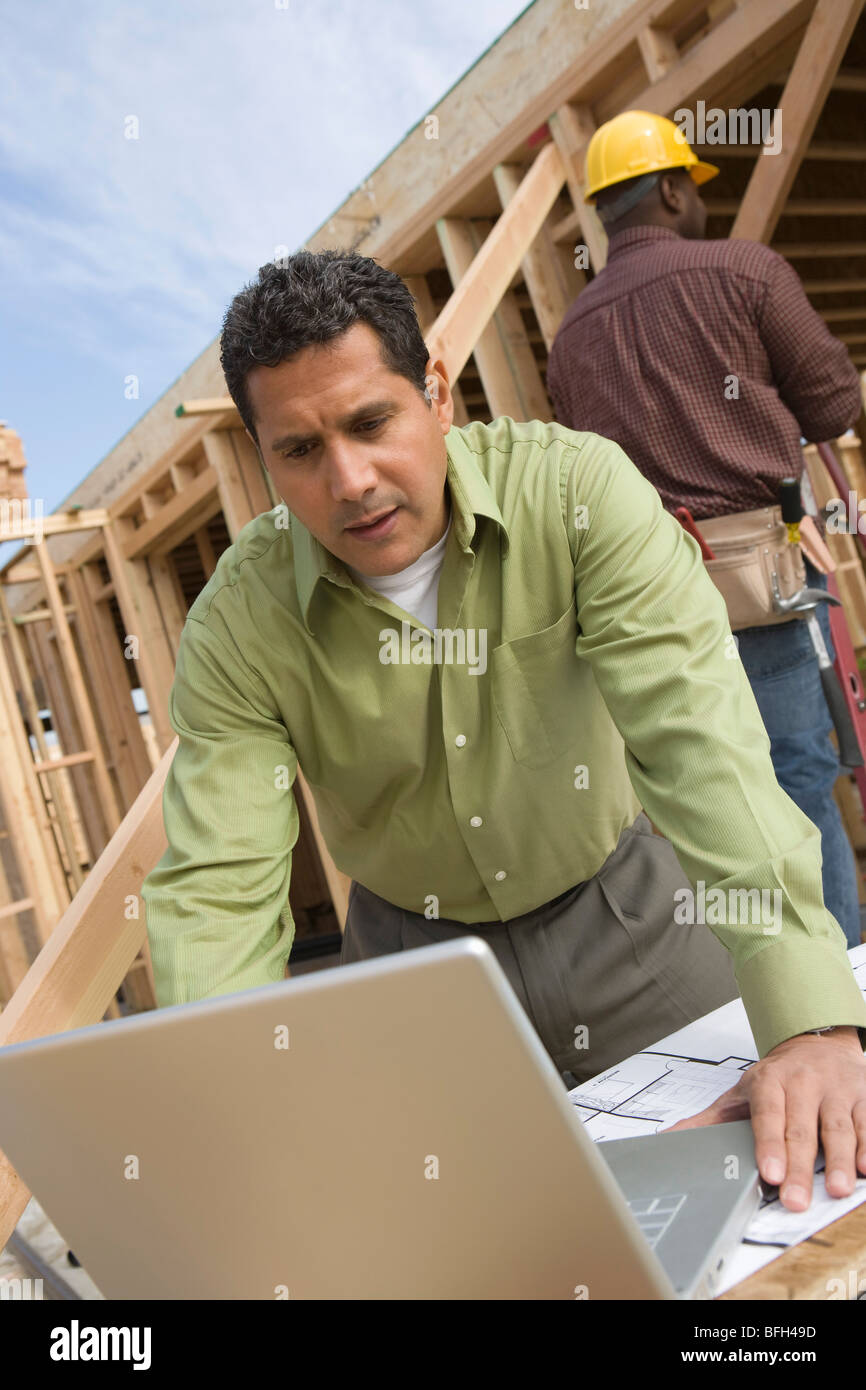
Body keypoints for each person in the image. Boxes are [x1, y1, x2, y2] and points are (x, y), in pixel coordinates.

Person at [143, 250, 866, 1213]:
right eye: (300, 451)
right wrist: (229, 1119)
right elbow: (219, 892)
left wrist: (810, 1025)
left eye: (371, 423)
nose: (351, 481)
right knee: (439, 1233)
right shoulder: (238, 621)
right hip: (416, 980)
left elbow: (698, 745)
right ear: (262, 454)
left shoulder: (576, 496)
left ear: (436, 394)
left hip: (633, 919)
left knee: (765, 1192)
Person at [547, 108, 864, 948]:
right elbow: (835, 403)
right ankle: (845, 990)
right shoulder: (745, 272)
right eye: (693, 187)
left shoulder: (570, 337)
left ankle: (754, 999)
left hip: (645, 600)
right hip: (759, 582)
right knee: (798, 775)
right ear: (672, 188)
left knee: (699, 808)